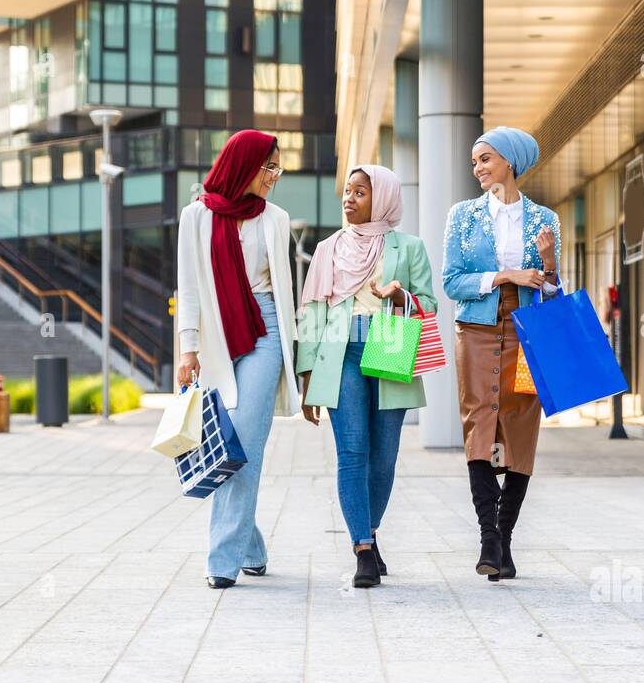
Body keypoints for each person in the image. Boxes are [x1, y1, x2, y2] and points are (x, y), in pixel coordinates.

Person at [297, 165, 437, 588]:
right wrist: (307, 378)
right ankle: (361, 548)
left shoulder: (409, 247)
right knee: (352, 452)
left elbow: (429, 302)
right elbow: (313, 312)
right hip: (339, 348)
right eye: (348, 191)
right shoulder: (327, 248)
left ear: (384, 198)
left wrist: (401, 295)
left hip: (390, 338)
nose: (350, 198)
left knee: (384, 456)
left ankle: (371, 533)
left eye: (361, 191)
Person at [176, 130, 300, 589]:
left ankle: (221, 561)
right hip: (216, 336)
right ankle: (250, 544)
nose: (274, 177)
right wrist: (187, 347)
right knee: (230, 446)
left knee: (244, 439)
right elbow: (188, 286)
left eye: (277, 168)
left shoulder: (276, 218)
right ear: (243, 166)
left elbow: (285, 291)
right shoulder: (195, 217)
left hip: (265, 330)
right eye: (268, 168)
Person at [441, 126, 561, 581]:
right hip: (475, 327)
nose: (478, 168)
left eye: (486, 159)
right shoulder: (463, 216)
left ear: (509, 161)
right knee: (478, 422)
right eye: (474, 161)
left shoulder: (545, 219)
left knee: (521, 424)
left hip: (529, 332)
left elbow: (552, 294)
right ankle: (488, 538)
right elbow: (452, 281)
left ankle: (504, 541)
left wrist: (548, 266)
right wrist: (506, 274)